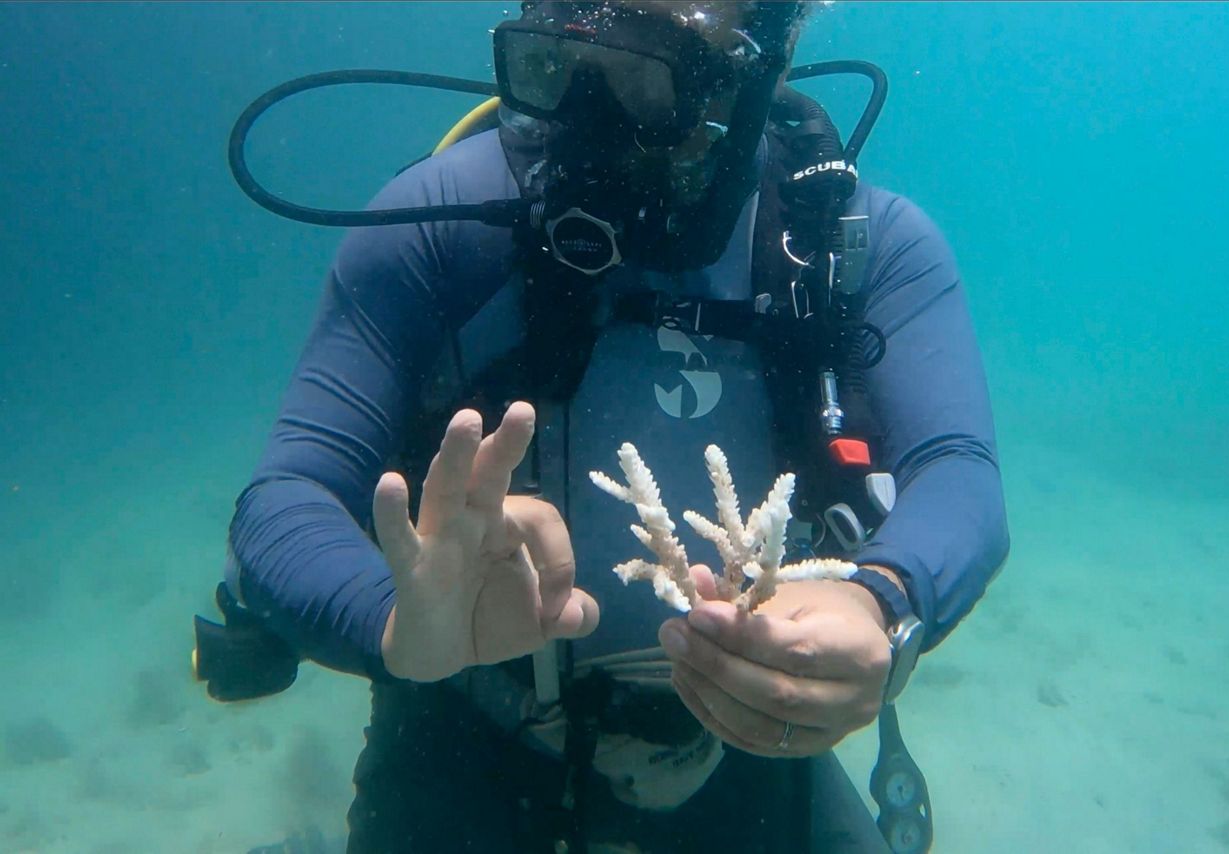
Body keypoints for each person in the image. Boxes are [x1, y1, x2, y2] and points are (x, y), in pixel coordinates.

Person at [224, 2, 1010, 852]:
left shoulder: (855, 245)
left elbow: (958, 471)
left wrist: (881, 604)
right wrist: (391, 620)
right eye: (556, 66)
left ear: (764, 62)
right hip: (465, 733)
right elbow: (285, 495)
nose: (589, 126)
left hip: (748, 735)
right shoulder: (439, 223)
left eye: (647, 79)